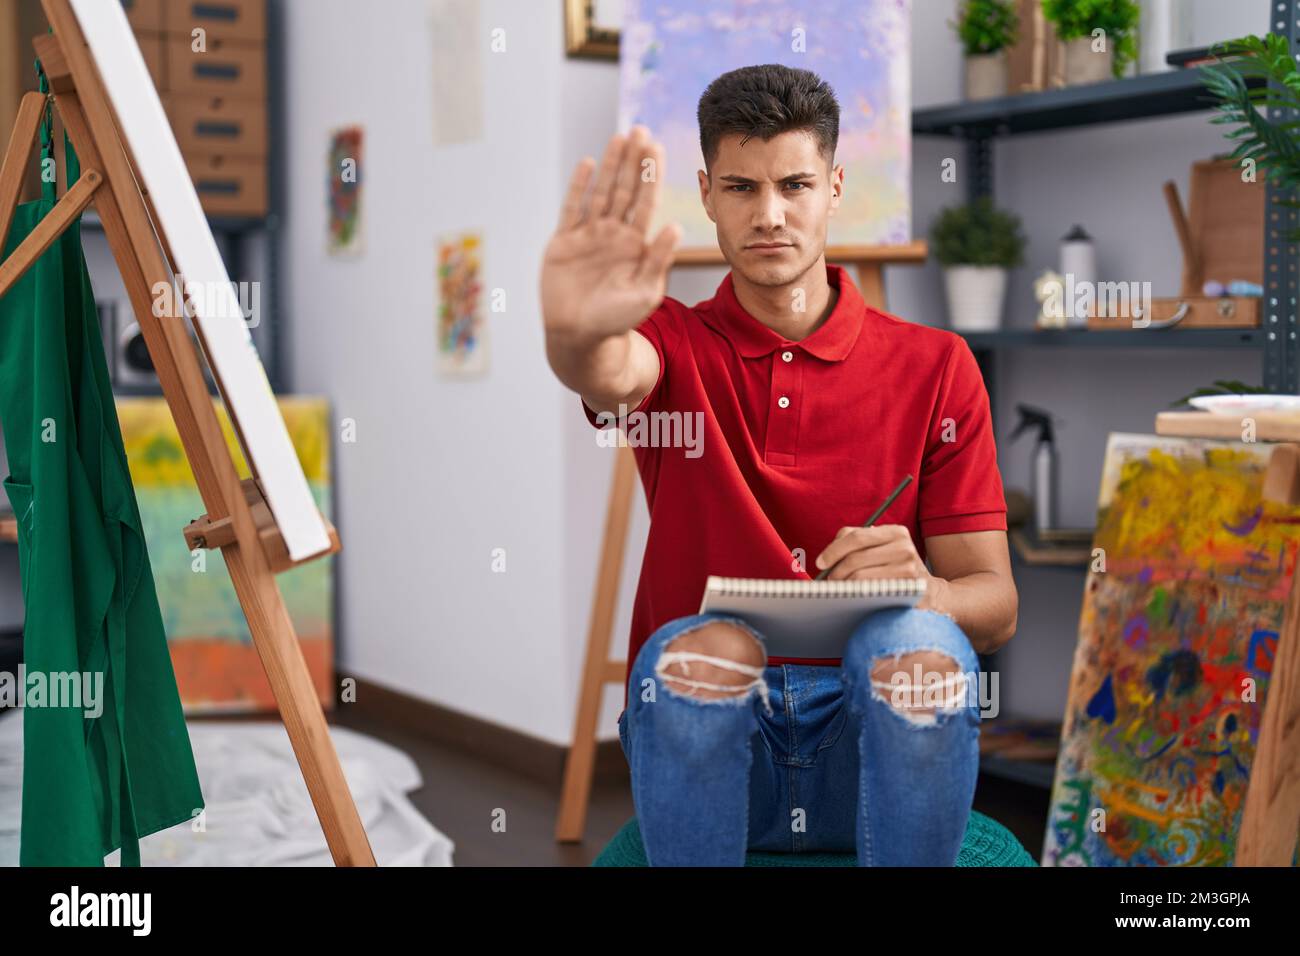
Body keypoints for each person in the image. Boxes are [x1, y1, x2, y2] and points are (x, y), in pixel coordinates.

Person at [540, 64, 1018, 866]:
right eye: (740, 188)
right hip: (710, 740)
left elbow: (994, 606)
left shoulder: (938, 365)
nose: (769, 215)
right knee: (704, 654)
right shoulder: (671, 340)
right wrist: (573, 334)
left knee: (915, 642)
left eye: (794, 185)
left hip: (872, 752)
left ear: (834, 187)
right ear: (705, 193)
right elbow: (611, 371)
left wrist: (922, 592)